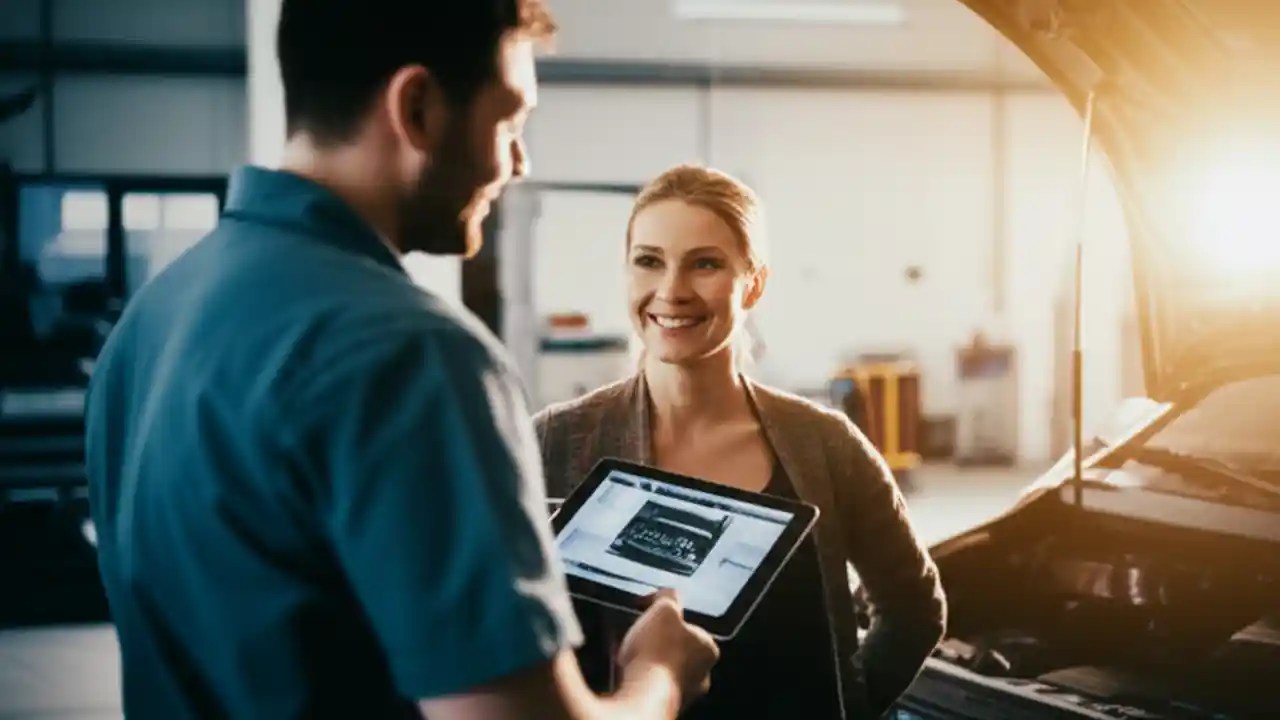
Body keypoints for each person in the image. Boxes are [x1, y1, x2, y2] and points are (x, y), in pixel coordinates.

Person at [83, 2, 718, 718]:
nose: (517, 161)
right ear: (416, 107)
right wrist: (658, 676)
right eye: (508, 121)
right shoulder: (415, 353)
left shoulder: (153, 316)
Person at [534, 165, 947, 719]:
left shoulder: (826, 447)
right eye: (649, 261)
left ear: (753, 283)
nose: (672, 291)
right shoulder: (555, 442)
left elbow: (913, 608)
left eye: (705, 263)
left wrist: (848, 705)